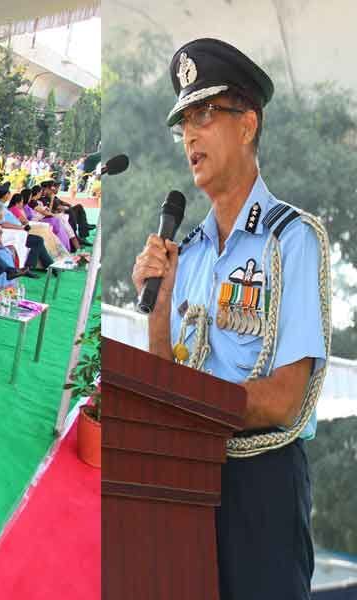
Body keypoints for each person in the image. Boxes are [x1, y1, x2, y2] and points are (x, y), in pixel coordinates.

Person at [131, 38, 329, 600]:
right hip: (186, 483)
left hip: (261, 482)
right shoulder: (186, 252)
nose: (190, 136)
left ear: (247, 124)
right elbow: (163, 379)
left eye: (205, 115)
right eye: (183, 124)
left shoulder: (292, 239)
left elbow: (287, 397)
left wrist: (191, 411)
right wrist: (160, 302)